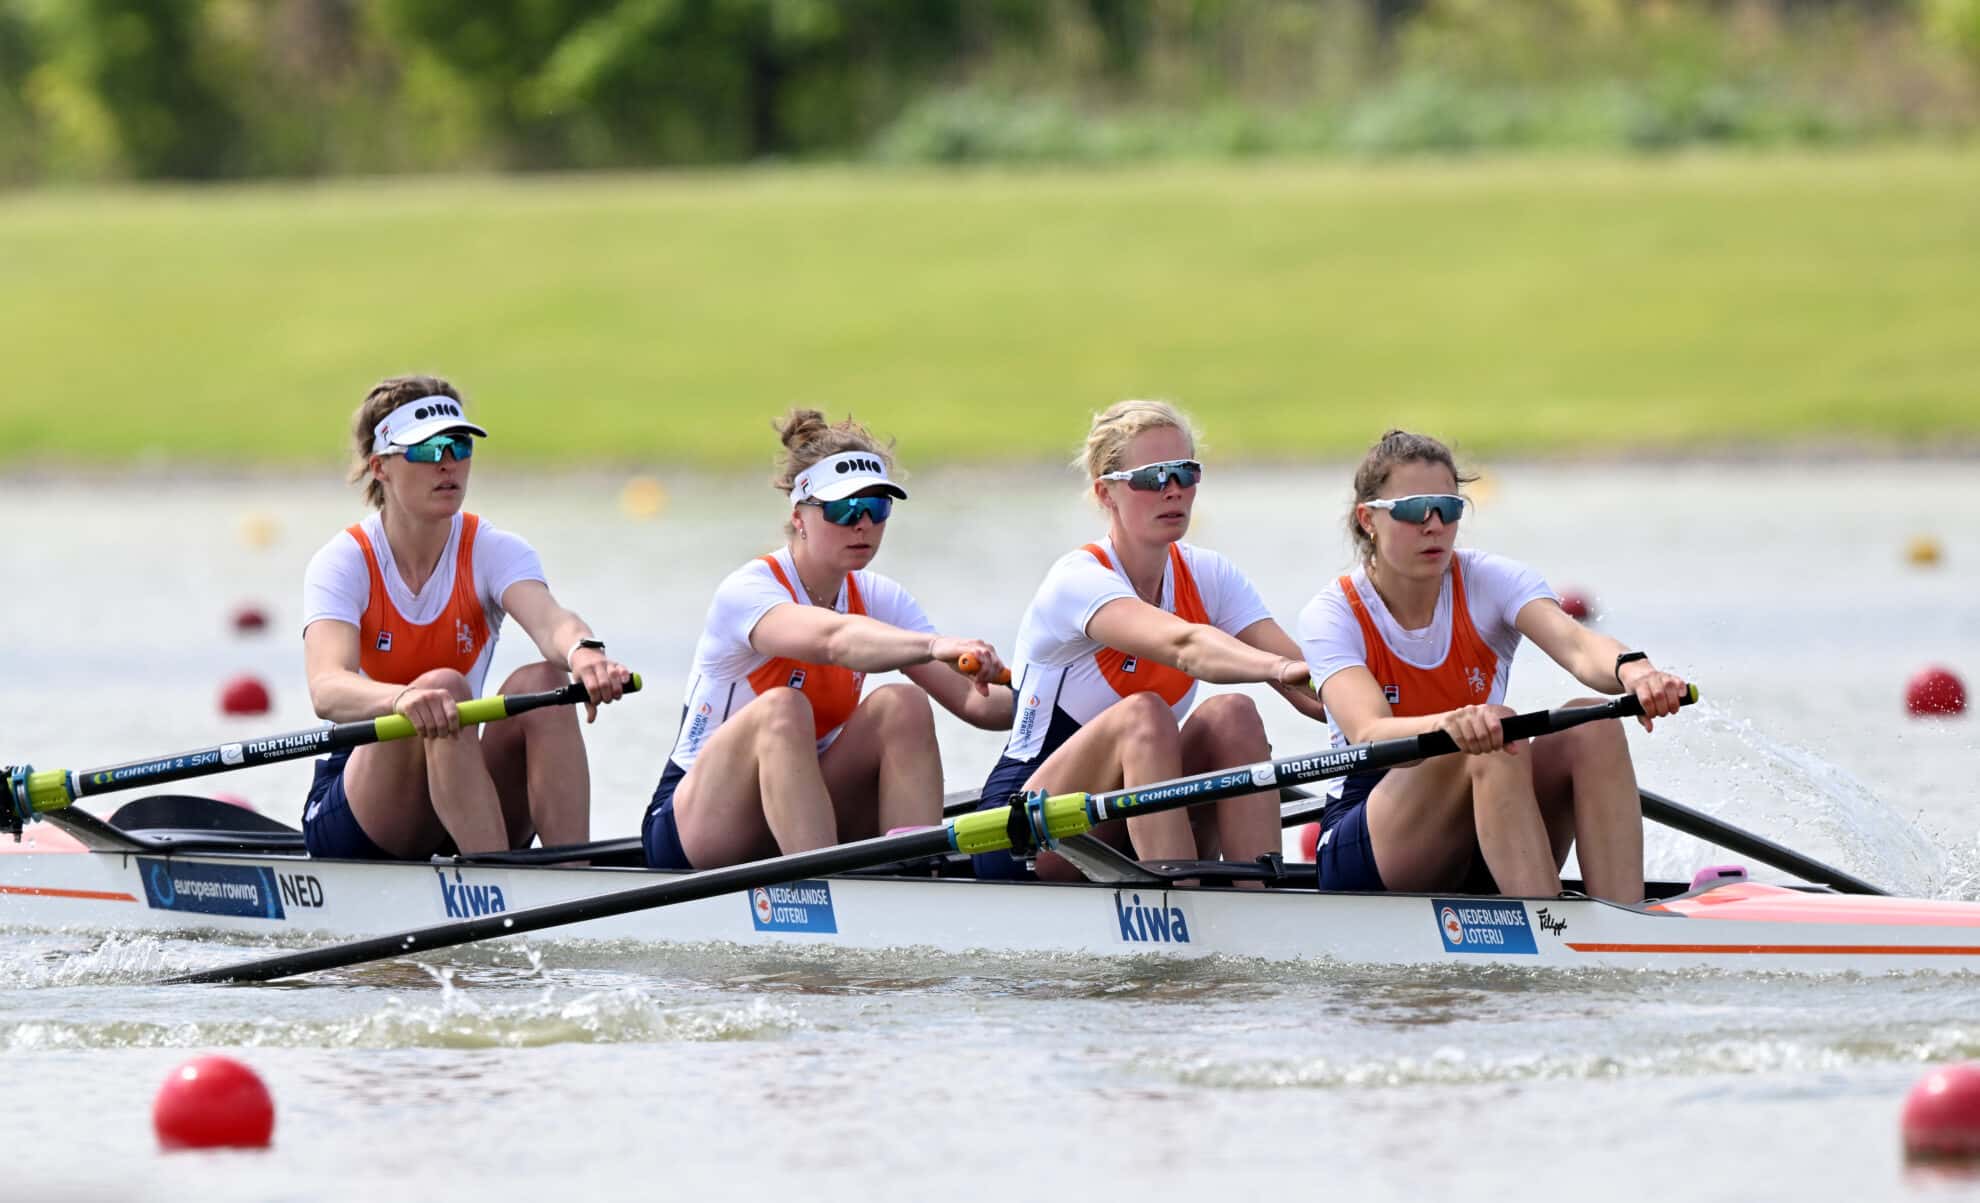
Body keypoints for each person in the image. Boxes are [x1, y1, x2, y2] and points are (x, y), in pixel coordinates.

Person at [1297, 429, 1688, 901]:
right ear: (1368, 519)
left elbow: (1578, 646)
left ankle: (1625, 921)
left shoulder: (1491, 580)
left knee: (1593, 725)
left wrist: (1634, 670)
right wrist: (1451, 725)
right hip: (1373, 837)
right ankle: (1547, 921)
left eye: (1448, 508)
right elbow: (1368, 731)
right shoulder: (1332, 614)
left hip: (1488, 817)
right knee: (1494, 735)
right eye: (1413, 510)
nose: (1434, 525)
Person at [644, 410, 1013, 871]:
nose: (863, 524)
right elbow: (835, 640)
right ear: (799, 516)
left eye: (877, 508)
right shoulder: (748, 591)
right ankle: (825, 884)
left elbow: (981, 705)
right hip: (699, 825)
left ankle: (918, 876)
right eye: (843, 509)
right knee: (783, 708)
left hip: (804, 806)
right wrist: (934, 647)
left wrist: (1057, 685)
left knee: (904, 704)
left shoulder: (879, 596)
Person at [976, 400, 1328, 882]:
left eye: (1185, 473)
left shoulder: (1209, 576)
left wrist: (1407, 714)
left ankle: (1259, 897)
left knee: (1234, 715)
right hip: (1026, 831)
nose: (1173, 490)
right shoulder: (1077, 582)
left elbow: (1316, 692)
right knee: (1144, 714)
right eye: (1152, 478)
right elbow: (1186, 646)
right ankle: (1181, 899)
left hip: (1130, 824)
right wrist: (1277, 669)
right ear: (1106, 493)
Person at [300, 375, 633, 860]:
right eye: (426, 449)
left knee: (544, 680)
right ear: (380, 467)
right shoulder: (344, 561)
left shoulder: (494, 549)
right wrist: (403, 699)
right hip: (364, 809)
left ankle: (574, 878)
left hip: (462, 786)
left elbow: (552, 622)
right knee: (445, 686)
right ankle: (494, 881)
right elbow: (326, 689)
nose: (448, 463)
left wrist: (585, 653)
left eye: (459, 445)